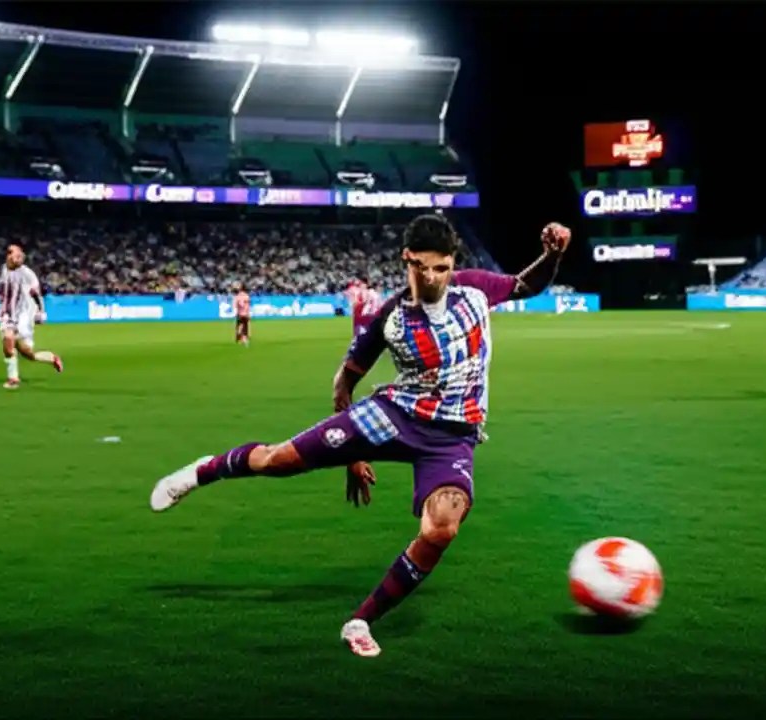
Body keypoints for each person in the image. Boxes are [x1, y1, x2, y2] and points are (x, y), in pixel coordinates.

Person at [148, 214, 570, 658]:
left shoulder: (476, 289)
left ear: (453, 263)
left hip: (451, 437)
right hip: (391, 415)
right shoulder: (388, 317)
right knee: (279, 461)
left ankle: (361, 620)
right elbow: (343, 383)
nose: (431, 278)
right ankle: (201, 471)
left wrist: (552, 255)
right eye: (421, 267)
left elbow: (528, 284)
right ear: (406, 260)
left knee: (442, 527)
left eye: (441, 268)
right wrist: (352, 455)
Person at [0, 243, 63, 389]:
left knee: (10, 342)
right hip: (6, 314)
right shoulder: (4, 269)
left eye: (19, 255)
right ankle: (52, 358)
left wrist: (41, 311)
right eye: (14, 254)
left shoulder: (27, 273)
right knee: (26, 354)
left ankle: (13, 379)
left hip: (21, 316)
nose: (18, 258)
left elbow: (36, 293)